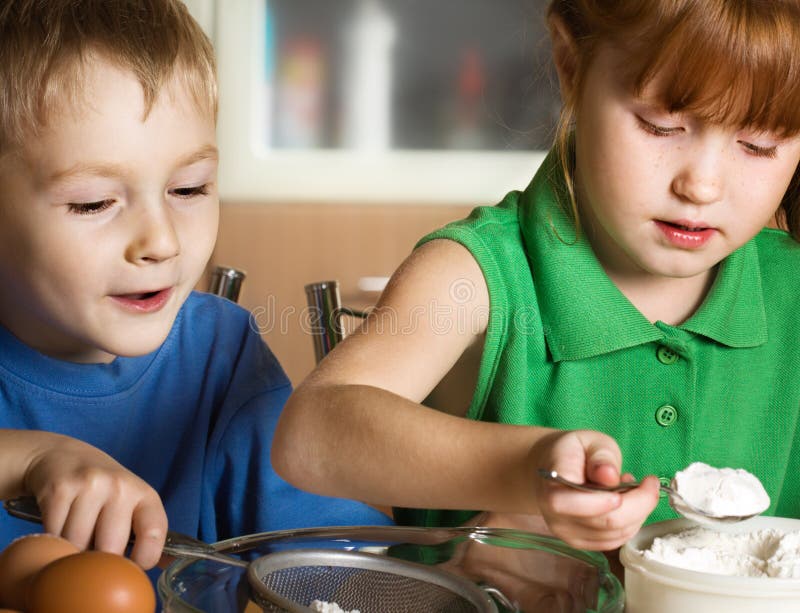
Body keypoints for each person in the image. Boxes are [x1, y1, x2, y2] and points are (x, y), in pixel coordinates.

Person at [273, 0, 800, 553]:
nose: (703, 186)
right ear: (571, 64)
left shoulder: (788, 284)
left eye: (758, 144)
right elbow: (309, 435)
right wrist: (528, 467)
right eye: (661, 125)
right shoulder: (481, 273)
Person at [0, 0, 391, 575]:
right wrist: (35, 457)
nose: (161, 241)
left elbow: (329, 559)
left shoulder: (220, 351)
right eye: (94, 202)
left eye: (188, 189)